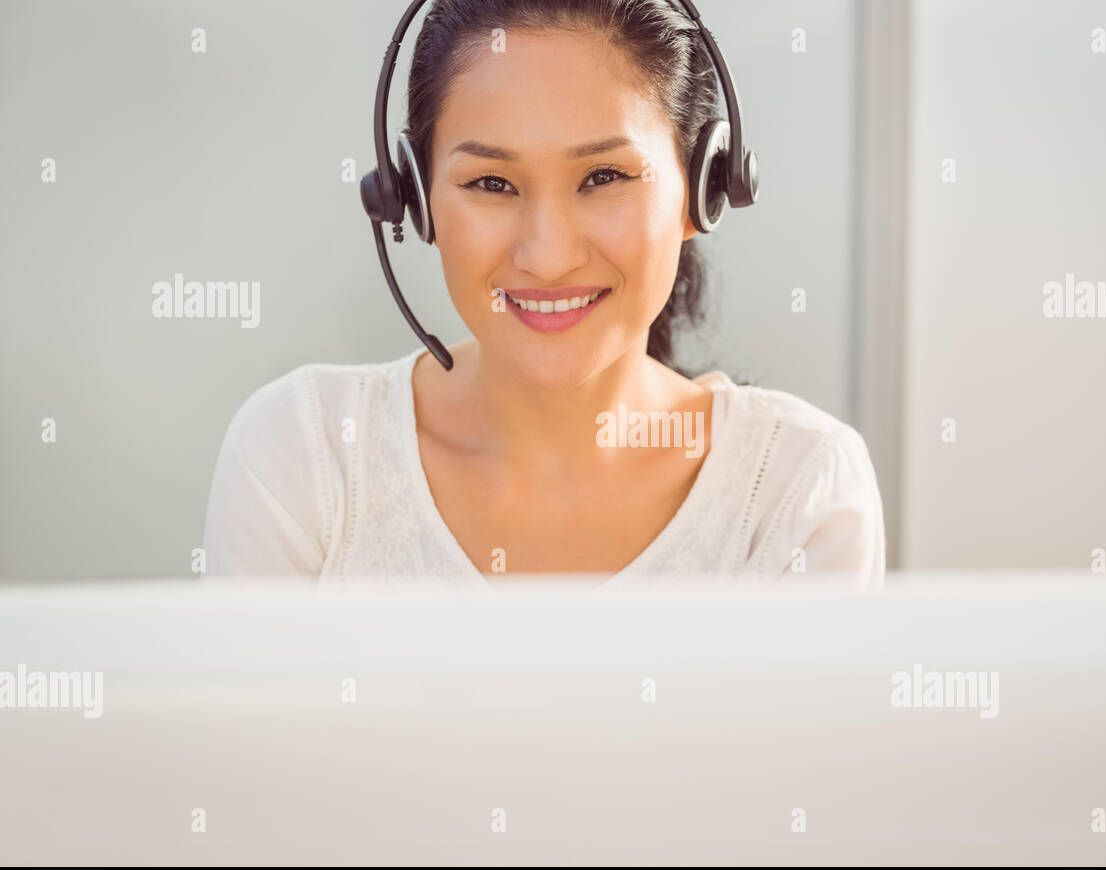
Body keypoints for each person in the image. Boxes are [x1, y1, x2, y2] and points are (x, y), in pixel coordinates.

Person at [202, 0, 885, 588]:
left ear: (704, 190)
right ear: (415, 203)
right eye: (492, 184)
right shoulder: (304, 457)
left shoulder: (799, 487)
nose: (549, 256)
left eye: (605, 177)